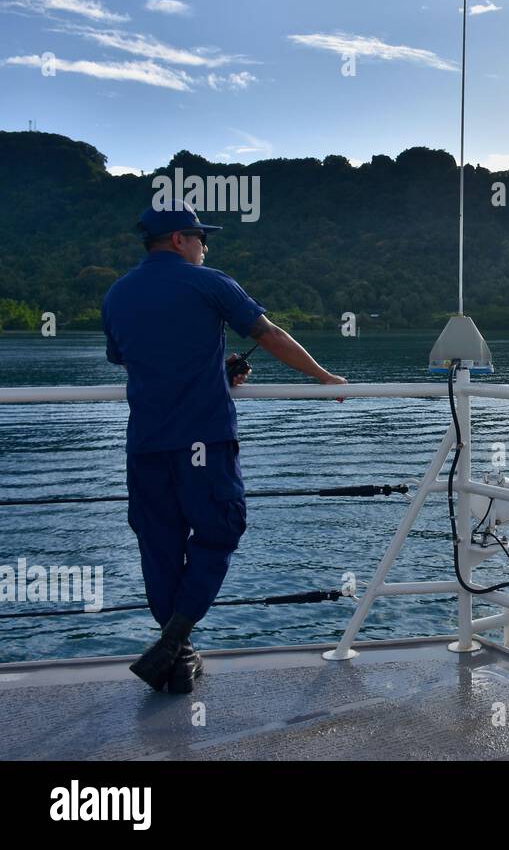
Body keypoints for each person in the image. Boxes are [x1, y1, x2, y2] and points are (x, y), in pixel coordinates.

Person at [101, 201, 347, 693]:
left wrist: (216, 372)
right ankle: (175, 640)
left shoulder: (117, 294)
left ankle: (176, 651)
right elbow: (270, 335)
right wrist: (323, 377)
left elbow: (137, 361)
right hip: (202, 440)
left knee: (159, 544)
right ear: (178, 240)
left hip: (146, 443)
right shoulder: (210, 282)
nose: (204, 244)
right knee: (220, 529)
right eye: (199, 236)